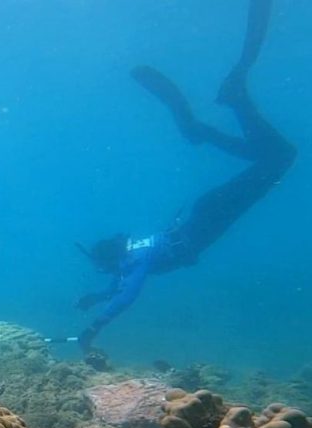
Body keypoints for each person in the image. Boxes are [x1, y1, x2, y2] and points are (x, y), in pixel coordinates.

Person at [75, 0, 296, 354]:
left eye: (105, 267)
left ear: (114, 258)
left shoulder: (135, 260)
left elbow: (128, 292)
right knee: (272, 158)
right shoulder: (133, 253)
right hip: (206, 211)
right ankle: (206, 125)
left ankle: (229, 104)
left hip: (211, 215)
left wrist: (95, 326)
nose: (108, 271)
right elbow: (121, 283)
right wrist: (97, 297)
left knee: (279, 158)